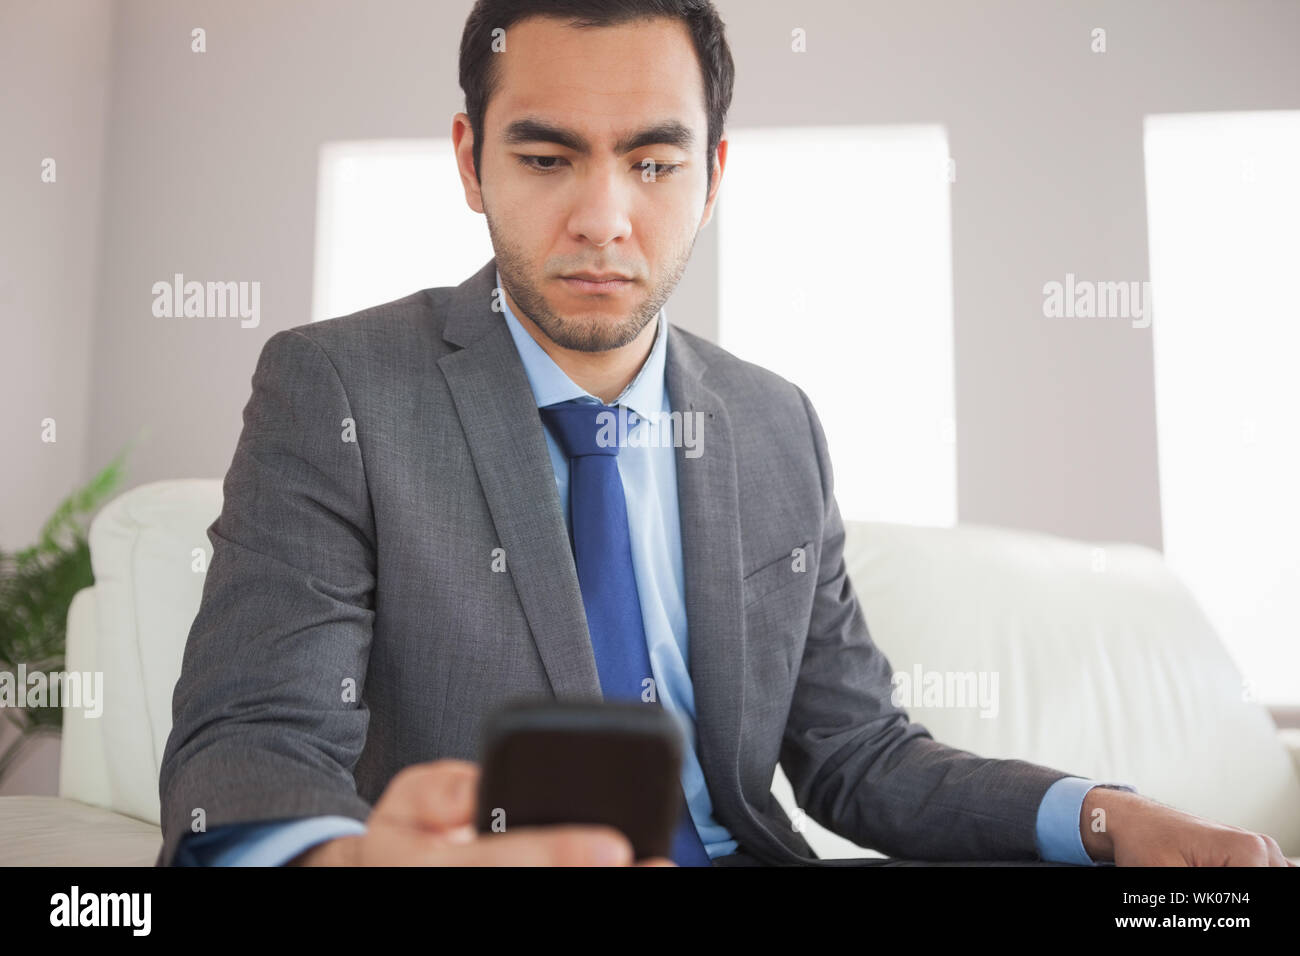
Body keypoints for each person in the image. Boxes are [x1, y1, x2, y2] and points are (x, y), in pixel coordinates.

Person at [156, 0, 1293, 867]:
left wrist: (1101, 815)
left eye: (653, 162)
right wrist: (340, 857)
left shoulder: (771, 423)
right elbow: (254, 736)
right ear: (470, 160)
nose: (603, 217)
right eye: (547, 158)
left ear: (713, 177)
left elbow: (856, 754)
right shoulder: (338, 389)